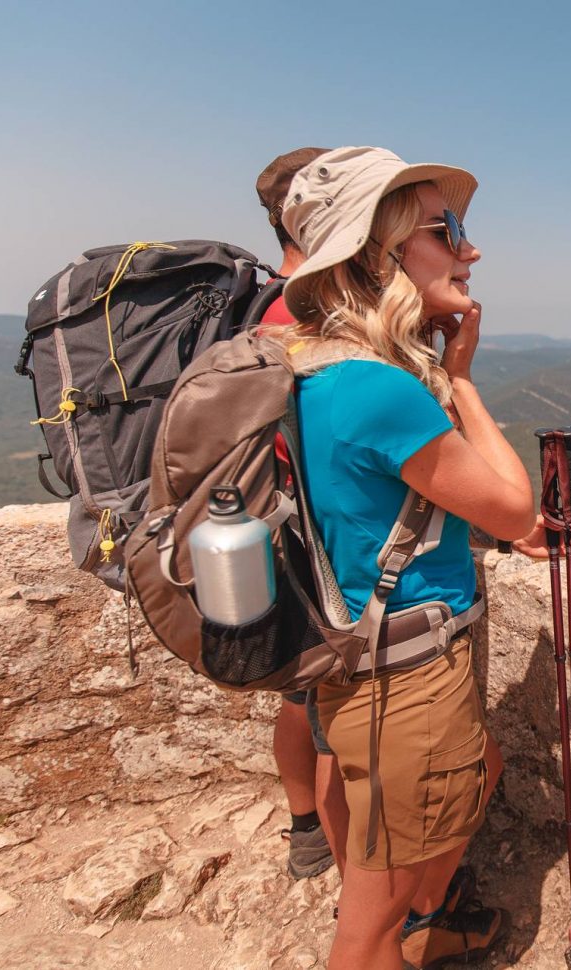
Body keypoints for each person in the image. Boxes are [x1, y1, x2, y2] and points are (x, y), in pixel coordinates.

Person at [276, 146, 571, 970]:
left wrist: (490, 529)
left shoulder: (311, 365)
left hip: (362, 662)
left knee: (476, 772)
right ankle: (403, 935)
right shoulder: (375, 387)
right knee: (365, 929)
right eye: (448, 231)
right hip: (403, 679)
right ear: (381, 252)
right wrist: (464, 380)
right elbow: (515, 500)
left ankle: (419, 924)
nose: (471, 250)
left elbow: (372, 504)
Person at [254, 146, 346, 881]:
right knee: (331, 731)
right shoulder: (304, 311)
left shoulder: (265, 301)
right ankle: (366, 903)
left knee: (299, 702)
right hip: (317, 550)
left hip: (275, 533)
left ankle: (306, 830)